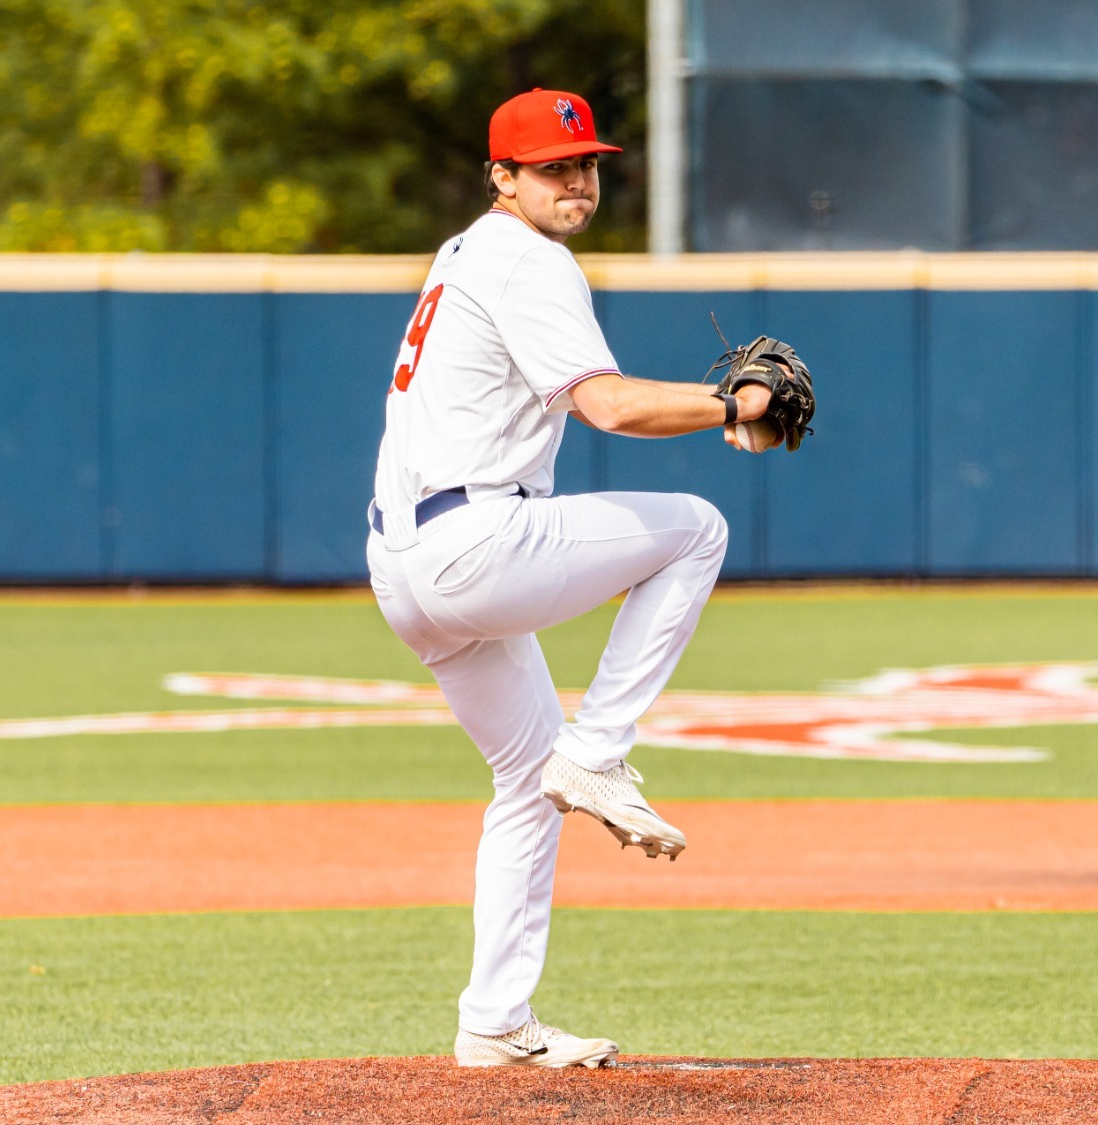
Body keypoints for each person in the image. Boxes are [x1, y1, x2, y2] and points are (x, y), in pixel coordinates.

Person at [365, 88, 774, 1068]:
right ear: (501, 177)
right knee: (696, 530)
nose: (576, 181)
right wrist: (732, 403)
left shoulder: (467, 250)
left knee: (523, 782)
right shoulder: (527, 259)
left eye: (585, 163)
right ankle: (599, 746)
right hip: (473, 543)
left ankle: (495, 1024)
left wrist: (717, 405)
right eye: (552, 166)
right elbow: (607, 408)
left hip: (403, 564)